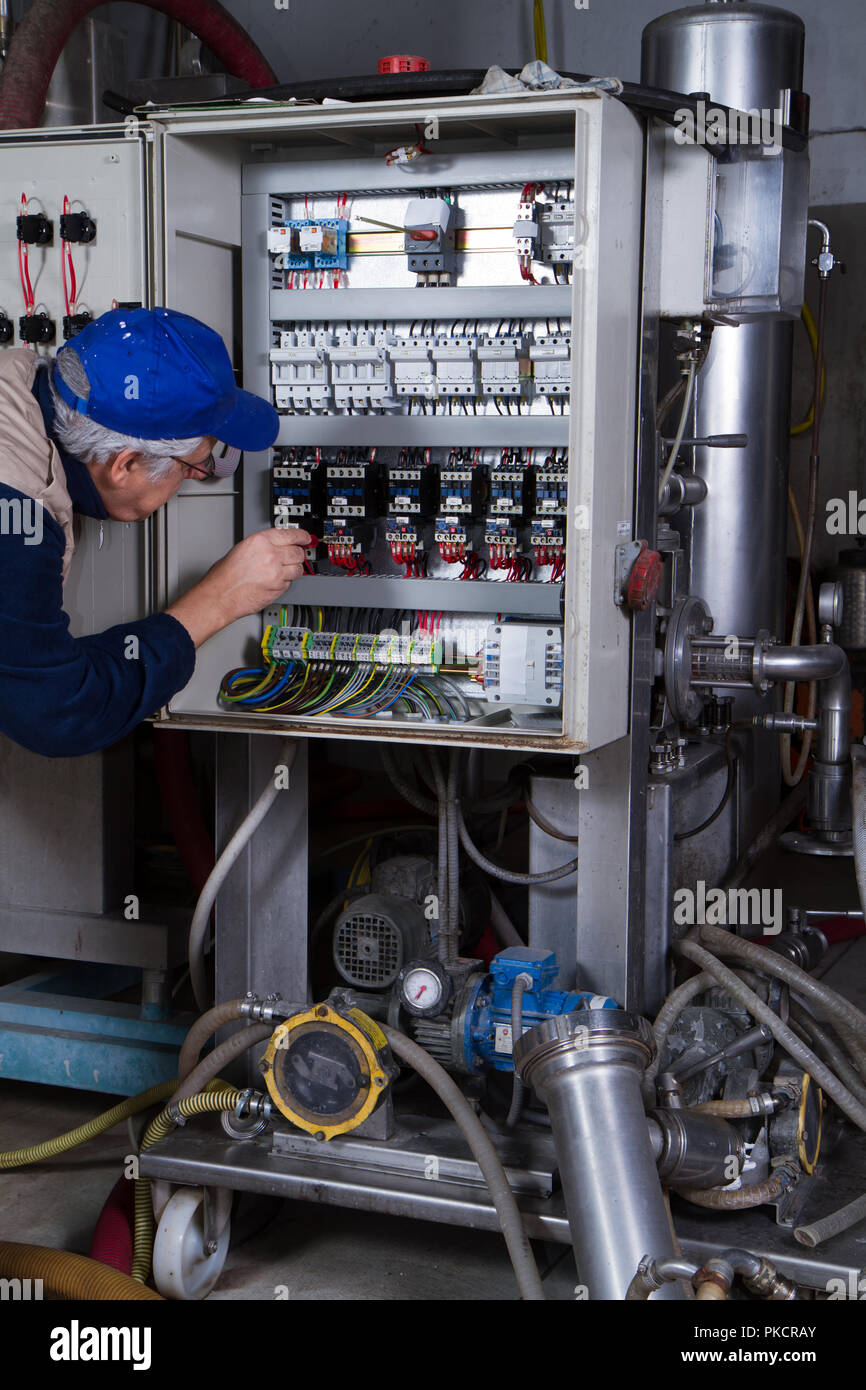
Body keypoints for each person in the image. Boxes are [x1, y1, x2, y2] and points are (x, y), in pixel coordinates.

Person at [0, 305, 310, 756]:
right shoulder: (16, 514)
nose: (203, 476)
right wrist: (219, 599)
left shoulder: (17, 380)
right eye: (194, 465)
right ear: (124, 465)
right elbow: (60, 711)